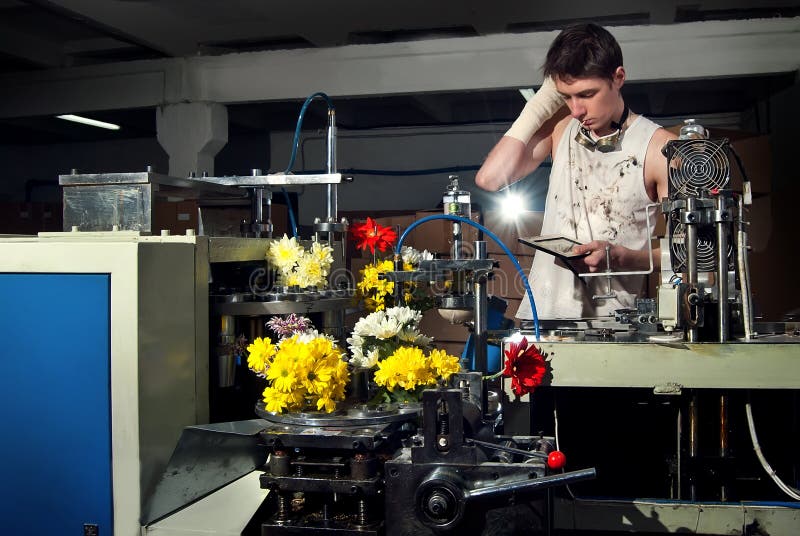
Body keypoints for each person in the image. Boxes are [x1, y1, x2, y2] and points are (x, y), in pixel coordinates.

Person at [475, 23, 677, 319]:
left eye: (586, 94)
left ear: (618, 78)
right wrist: (544, 100)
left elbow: (691, 255)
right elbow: (489, 179)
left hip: (612, 328)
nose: (576, 110)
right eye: (566, 96)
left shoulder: (660, 149)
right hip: (538, 320)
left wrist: (622, 258)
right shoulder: (562, 128)